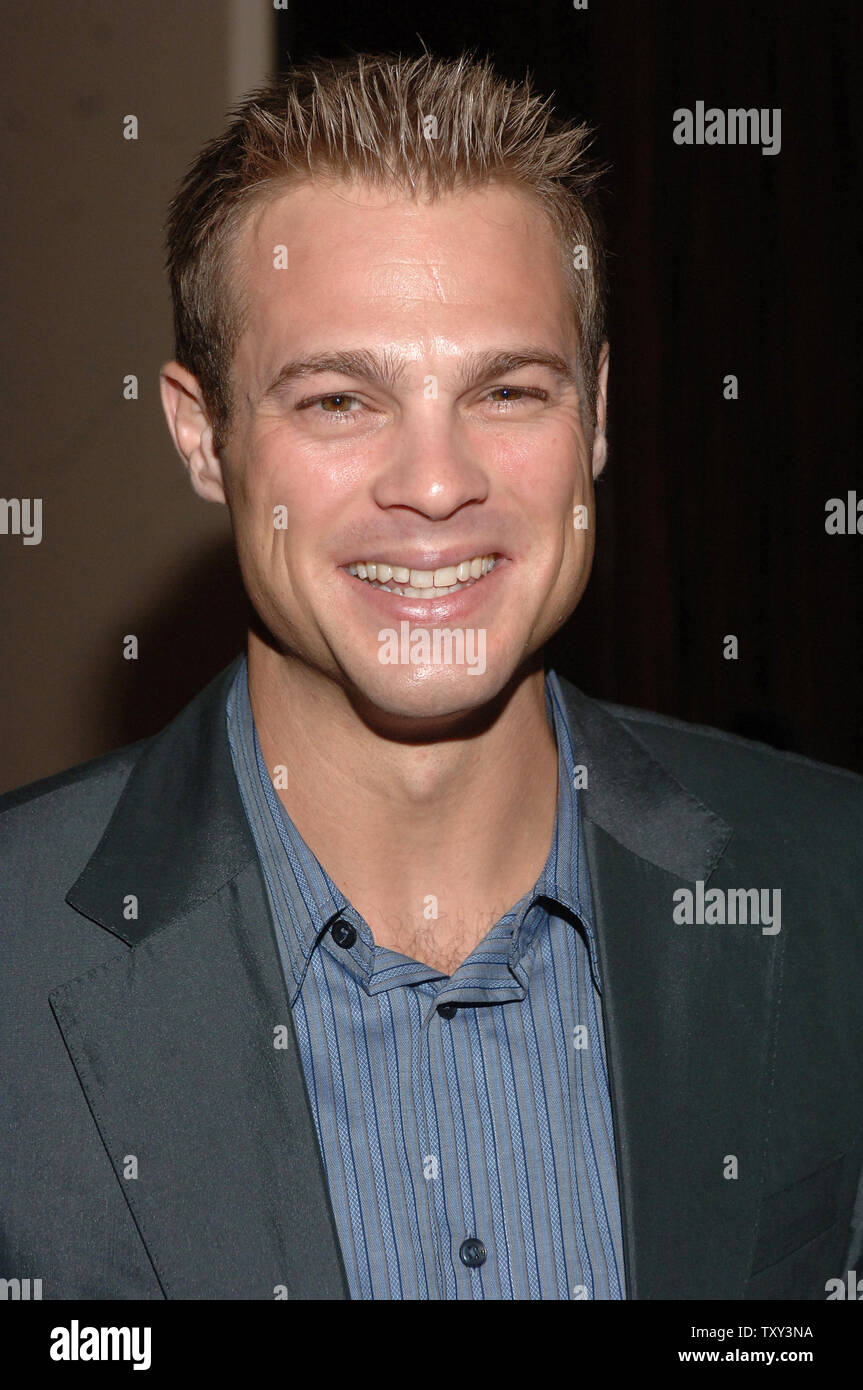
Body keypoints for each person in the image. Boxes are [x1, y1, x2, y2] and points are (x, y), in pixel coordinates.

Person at [1, 51, 861, 1303]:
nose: (437, 481)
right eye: (341, 399)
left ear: (598, 416)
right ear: (203, 435)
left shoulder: (834, 886)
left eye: (507, 389)